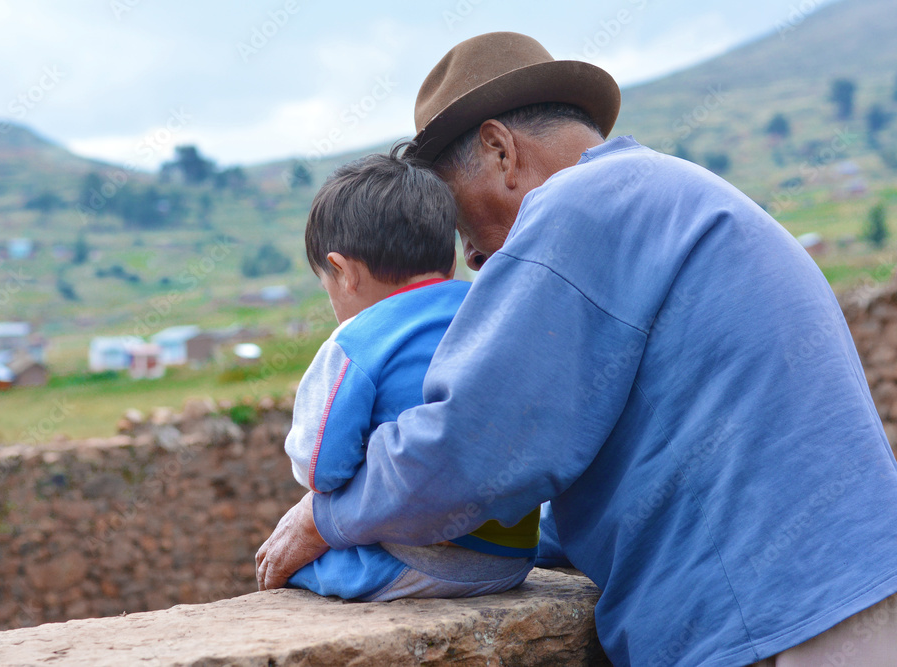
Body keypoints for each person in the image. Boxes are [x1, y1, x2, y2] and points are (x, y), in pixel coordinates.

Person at [257, 32, 897, 665]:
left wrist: (327, 518)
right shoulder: (663, 191)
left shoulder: (574, 207)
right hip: (845, 591)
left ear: (500, 151)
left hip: (779, 621)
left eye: (462, 223)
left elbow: (476, 444)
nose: (476, 261)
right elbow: (599, 453)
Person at [281, 146, 539, 601]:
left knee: (298, 565)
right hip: (512, 558)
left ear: (342, 272)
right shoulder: (490, 308)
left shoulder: (357, 340)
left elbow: (320, 466)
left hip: (422, 562)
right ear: (452, 258)